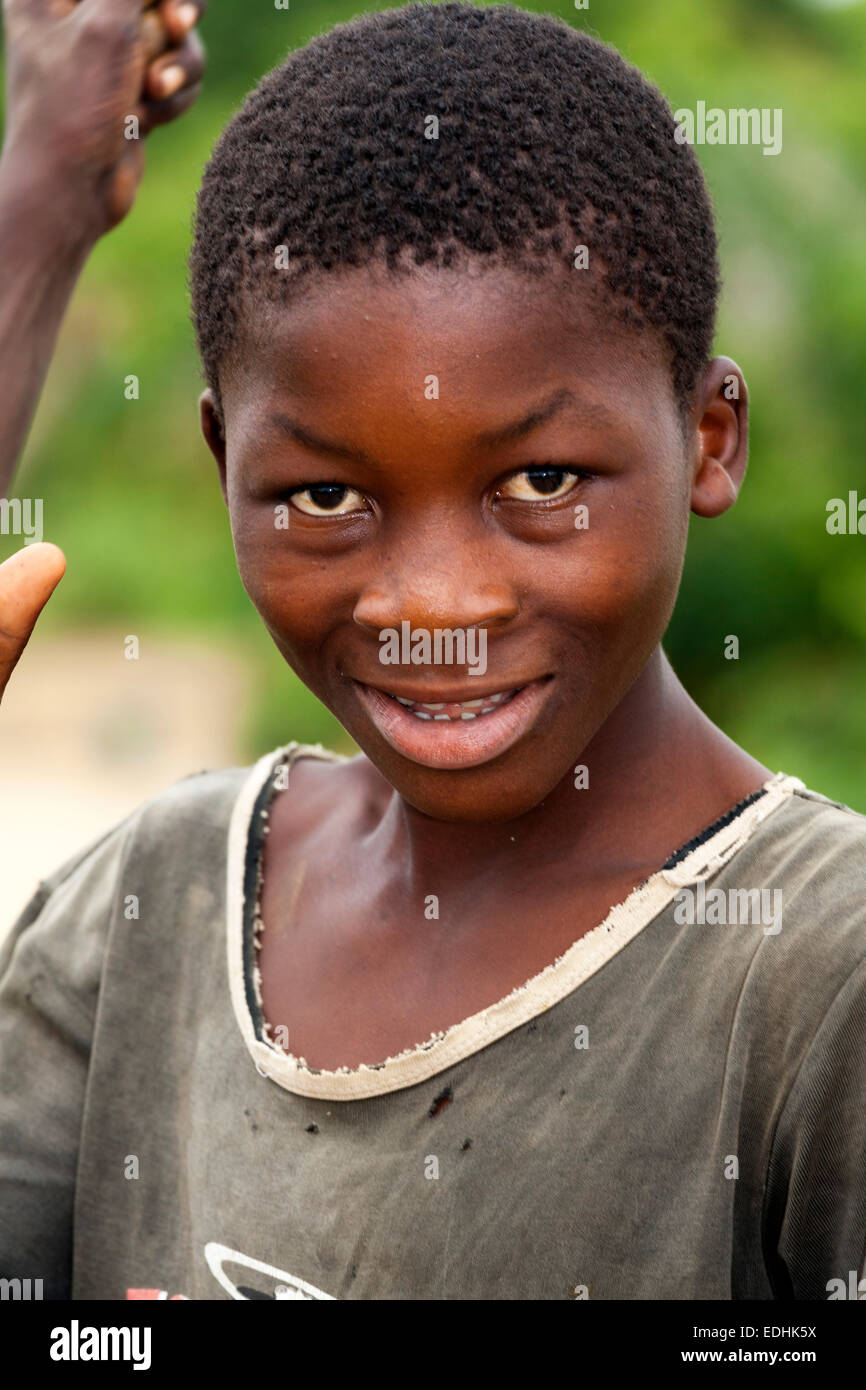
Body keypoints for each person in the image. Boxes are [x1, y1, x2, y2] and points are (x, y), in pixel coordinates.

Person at [1, 0, 864, 1302]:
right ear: (220, 462)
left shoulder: (814, 975)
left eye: (541, 477)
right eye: (327, 498)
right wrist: (42, 190)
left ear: (708, 439)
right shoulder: (151, 908)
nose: (430, 603)